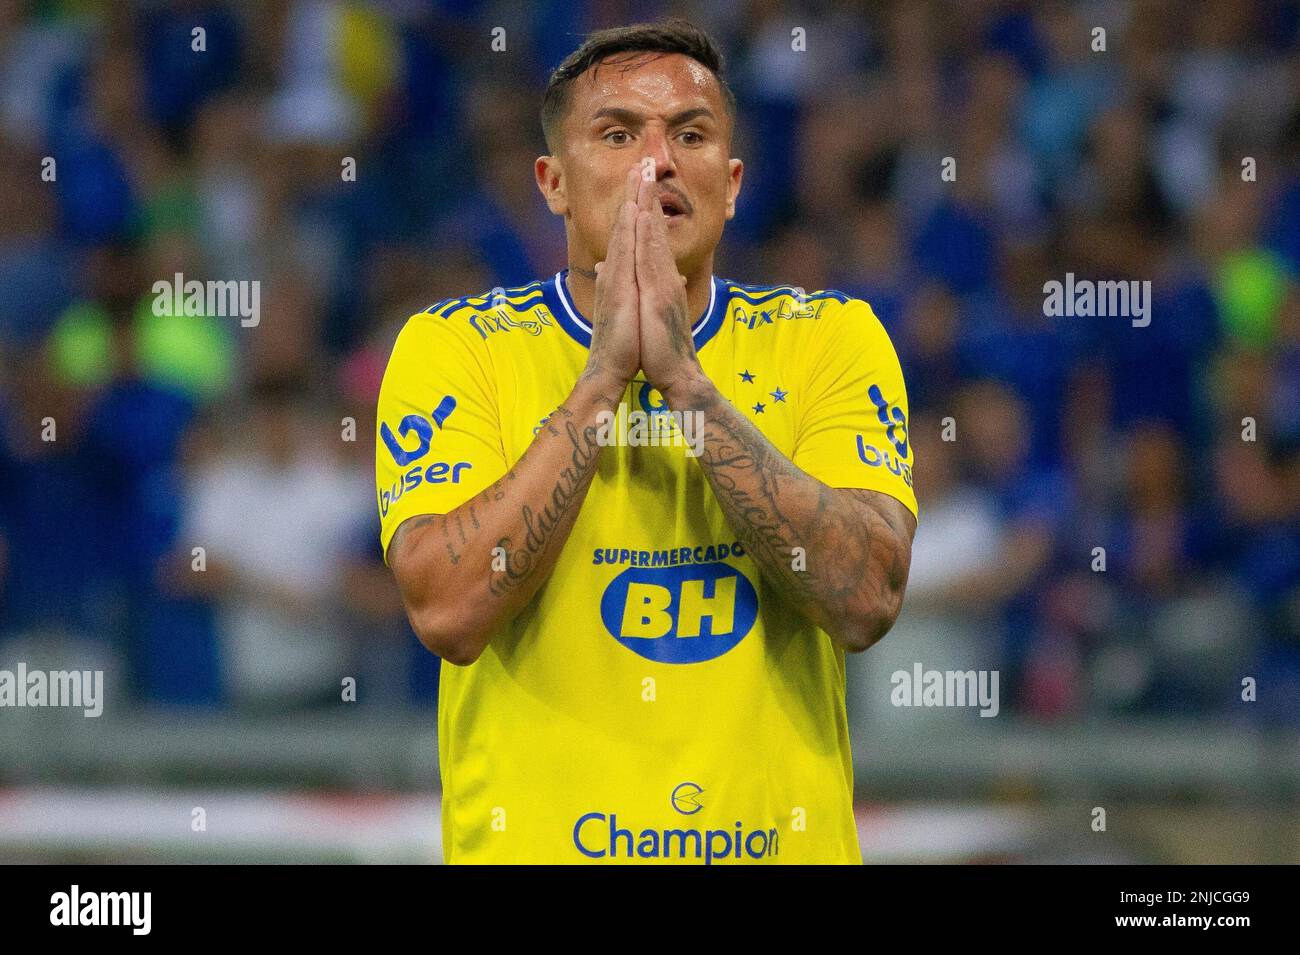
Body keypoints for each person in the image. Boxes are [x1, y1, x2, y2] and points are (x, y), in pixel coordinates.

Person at [375, 19, 917, 864]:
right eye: (618, 132)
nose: (656, 161)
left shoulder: (829, 339)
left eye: (690, 135)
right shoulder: (457, 349)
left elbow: (866, 596)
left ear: (732, 183)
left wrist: (688, 390)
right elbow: (447, 611)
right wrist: (600, 385)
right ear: (553, 182)